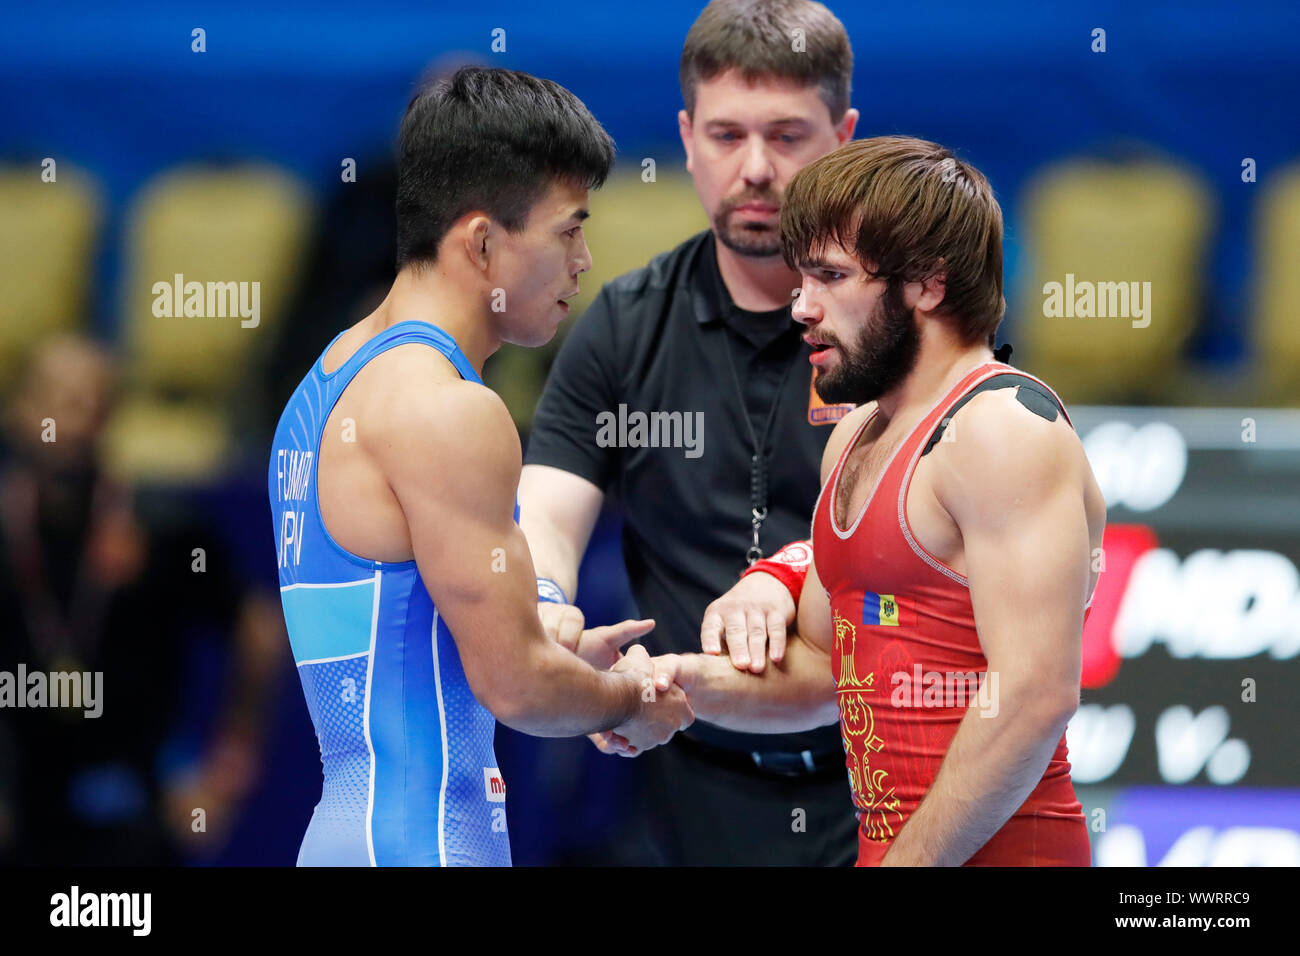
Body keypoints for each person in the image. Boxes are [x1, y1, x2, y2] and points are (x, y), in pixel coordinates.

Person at [267, 67, 692, 867]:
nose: (585, 262)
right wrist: (630, 701)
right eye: (568, 231)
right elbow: (519, 688)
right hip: (425, 845)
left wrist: (555, 652)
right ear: (483, 242)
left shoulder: (324, 383)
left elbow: (415, 633)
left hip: (346, 837)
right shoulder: (450, 409)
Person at [648, 135, 1105, 866]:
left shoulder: (1002, 432)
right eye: (801, 278)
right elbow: (827, 671)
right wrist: (673, 687)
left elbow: (1034, 697)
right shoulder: (856, 435)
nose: (801, 306)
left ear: (927, 284)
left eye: (831, 276)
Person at [519, 0, 862, 865]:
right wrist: (548, 605)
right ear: (685, 137)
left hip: (880, 773)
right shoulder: (624, 327)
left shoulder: (891, 327)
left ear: (844, 134)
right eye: (725, 135)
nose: (755, 169)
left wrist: (787, 579)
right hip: (689, 776)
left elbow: (940, 520)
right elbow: (547, 514)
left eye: (787, 136)